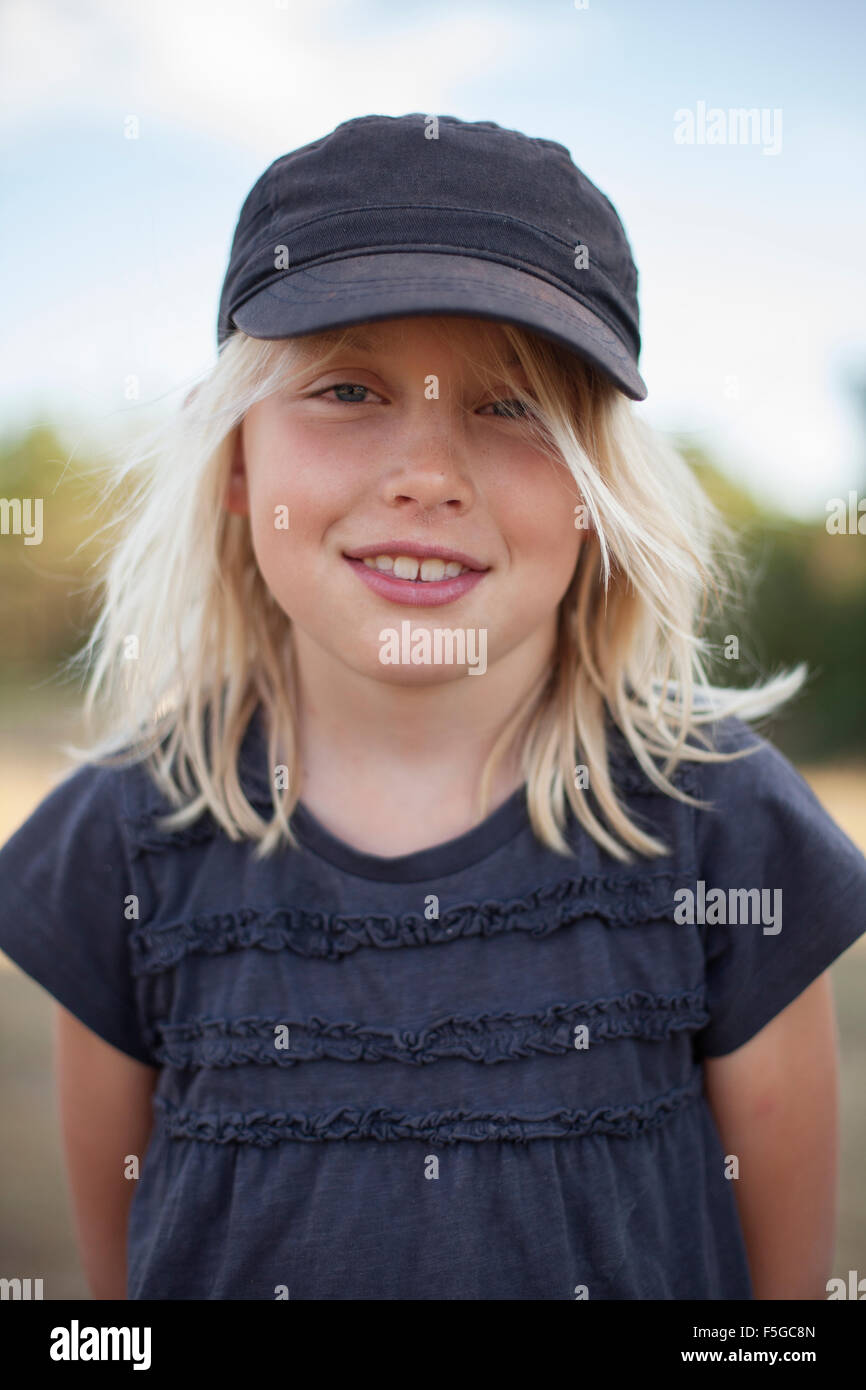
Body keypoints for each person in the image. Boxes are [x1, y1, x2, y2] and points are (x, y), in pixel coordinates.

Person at [1, 113, 864, 1301]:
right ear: (239, 463)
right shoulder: (120, 841)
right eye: (347, 386)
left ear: (594, 487)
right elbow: (118, 1302)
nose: (427, 472)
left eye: (511, 407)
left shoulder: (718, 820)